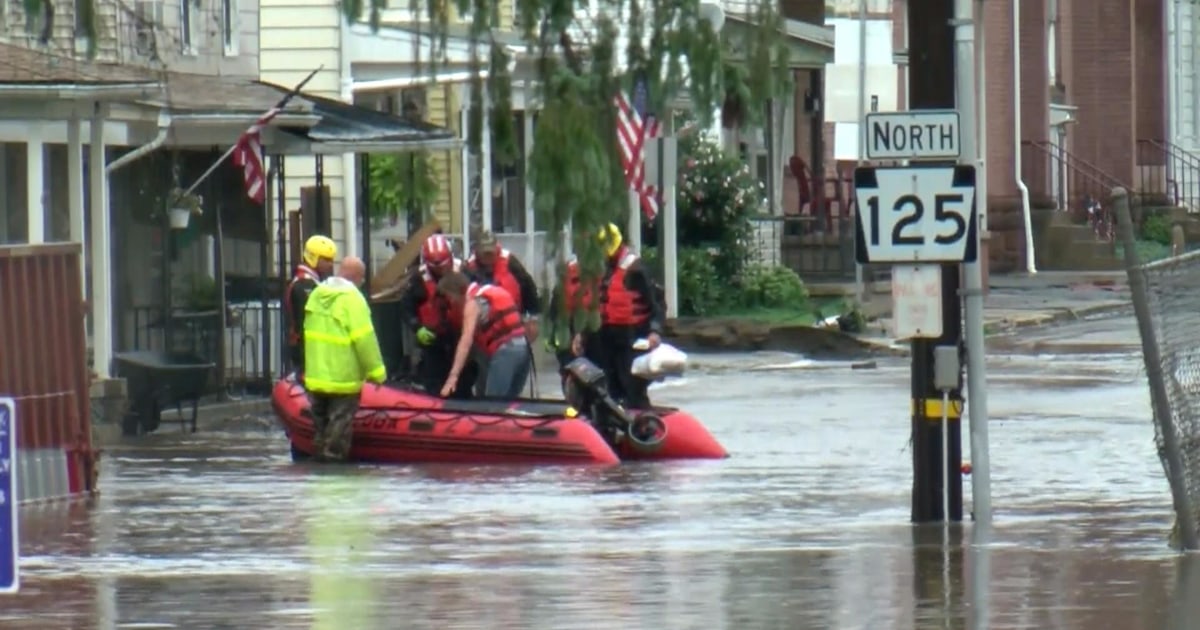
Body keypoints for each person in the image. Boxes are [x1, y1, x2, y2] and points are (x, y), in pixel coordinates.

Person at [571, 223, 665, 409]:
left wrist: (654, 331)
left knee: (632, 389)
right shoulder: (598, 269)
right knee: (604, 389)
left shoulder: (636, 269)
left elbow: (657, 304)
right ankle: (608, 419)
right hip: (603, 337)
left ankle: (640, 416)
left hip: (631, 339)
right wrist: (581, 334)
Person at [303, 256, 386, 462]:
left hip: (316, 378)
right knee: (337, 440)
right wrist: (377, 373)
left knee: (320, 433)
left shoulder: (316, 294)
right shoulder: (353, 300)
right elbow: (364, 339)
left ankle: (319, 473)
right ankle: (335, 475)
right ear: (358, 277)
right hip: (343, 379)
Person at [397, 234, 477, 397]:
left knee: (464, 380)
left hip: (460, 334)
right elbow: (407, 307)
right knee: (433, 380)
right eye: (436, 266)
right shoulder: (418, 278)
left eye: (444, 264)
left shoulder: (464, 271)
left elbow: (477, 295)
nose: (442, 269)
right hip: (433, 338)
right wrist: (417, 328)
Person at [436, 272, 531, 399]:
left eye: (450, 297)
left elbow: (466, 340)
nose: (451, 302)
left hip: (506, 353)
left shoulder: (472, 303)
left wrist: (453, 377)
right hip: (523, 350)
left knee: (492, 403)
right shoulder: (488, 292)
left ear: (461, 290)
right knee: (509, 400)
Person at [464, 232, 541, 342]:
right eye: (485, 253)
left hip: (511, 324)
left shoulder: (510, 262)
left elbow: (528, 286)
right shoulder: (468, 268)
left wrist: (533, 318)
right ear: (477, 251)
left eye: (491, 253)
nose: (488, 257)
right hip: (481, 328)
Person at [285, 235, 337, 372]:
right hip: (306, 350)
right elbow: (306, 321)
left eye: (331, 260)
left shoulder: (308, 282)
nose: (331, 264)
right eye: (326, 259)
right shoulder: (304, 285)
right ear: (313, 258)